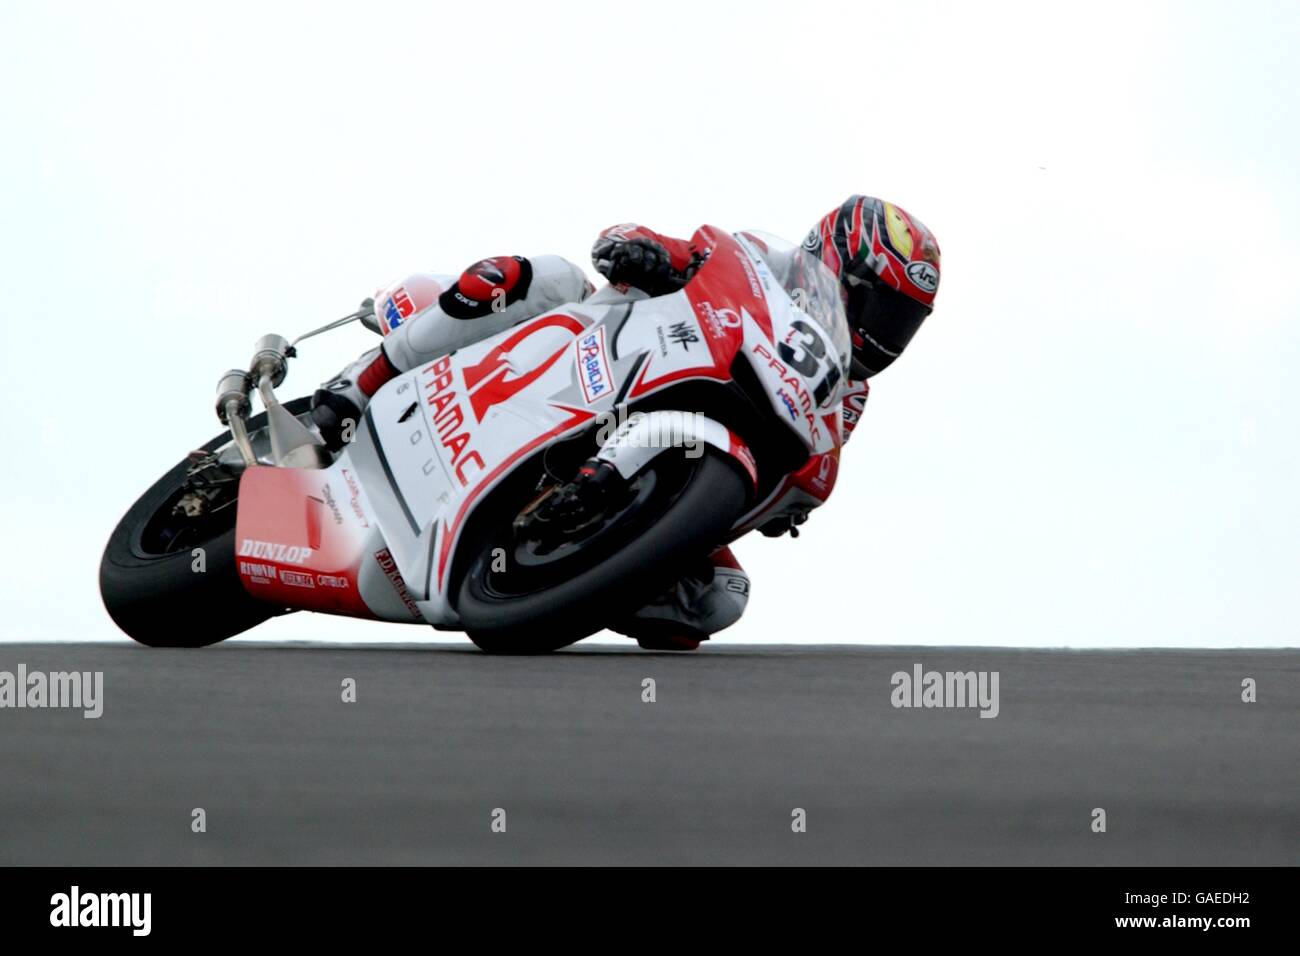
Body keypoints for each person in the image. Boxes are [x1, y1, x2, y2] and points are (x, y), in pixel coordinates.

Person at [310, 196, 942, 649]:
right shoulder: (754, 258)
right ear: (834, 262)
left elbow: (803, 477)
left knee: (718, 597)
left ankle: (568, 569)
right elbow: (662, 246)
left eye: (901, 323)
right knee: (548, 277)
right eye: (881, 308)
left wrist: (789, 505)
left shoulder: (845, 399)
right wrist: (642, 249)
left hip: (685, 435)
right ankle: (361, 382)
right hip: (593, 354)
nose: (884, 334)